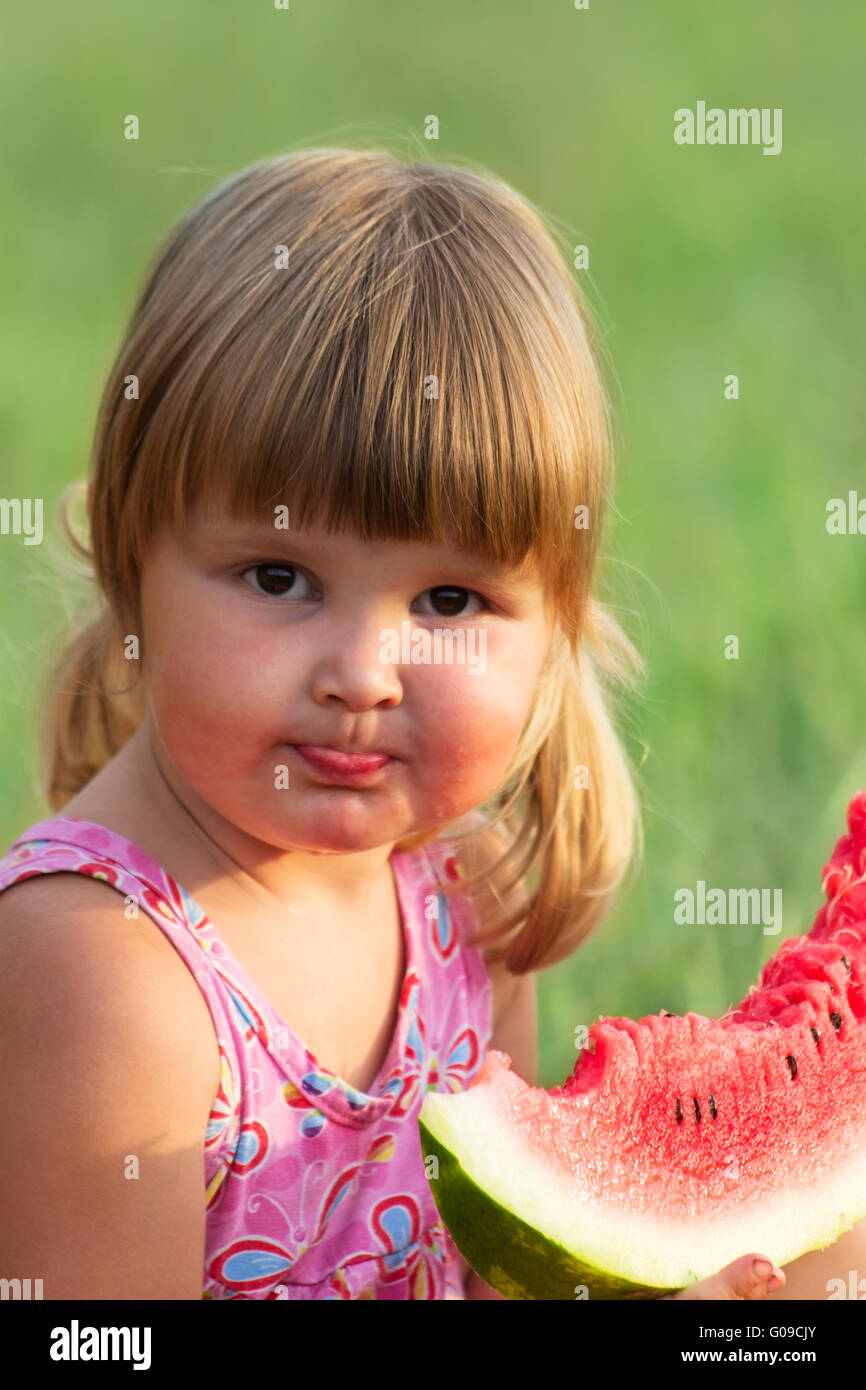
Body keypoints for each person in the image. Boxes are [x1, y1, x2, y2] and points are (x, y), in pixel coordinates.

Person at [0, 146, 790, 1299]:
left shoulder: (461, 895)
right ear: (130, 559)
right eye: (276, 577)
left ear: (553, 627)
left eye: (449, 600)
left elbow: (493, 1278)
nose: (364, 672)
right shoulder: (102, 969)